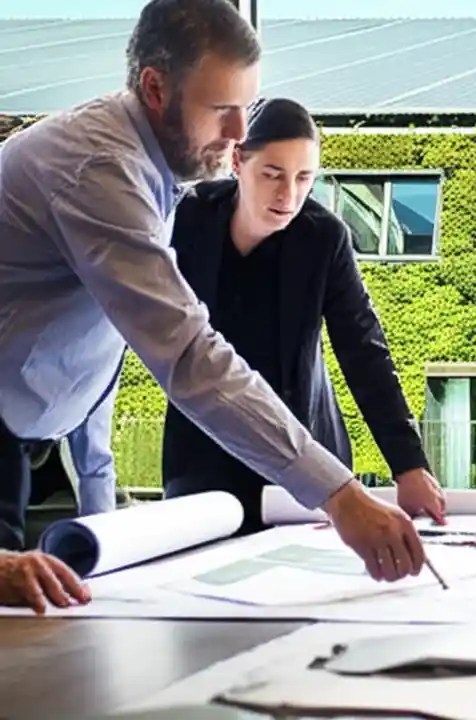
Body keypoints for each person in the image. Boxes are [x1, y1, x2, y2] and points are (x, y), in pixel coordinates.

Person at [0, 0, 429, 612]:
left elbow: (90, 345)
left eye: (245, 109)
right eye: (221, 109)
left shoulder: (157, 172)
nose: (237, 134)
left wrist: (99, 500)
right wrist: (339, 494)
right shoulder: (101, 172)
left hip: (25, 429)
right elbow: (187, 356)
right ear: (155, 88)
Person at [163, 98, 446, 535]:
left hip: (303, 454)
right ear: (237, 162)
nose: (288, 195)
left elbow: (363, 349)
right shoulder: (187, 218)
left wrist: (408, 464)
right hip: (203, 451)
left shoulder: (324, 238)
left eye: (303, 178)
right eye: (272, 174)